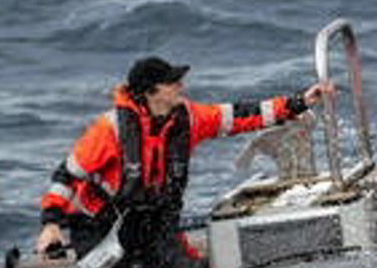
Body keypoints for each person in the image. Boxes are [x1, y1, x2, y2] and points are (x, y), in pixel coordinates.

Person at [34, 57, 329, 267]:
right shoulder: (109, 130)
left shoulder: (189, 118)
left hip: (154, 226)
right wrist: (50, 225)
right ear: (151, 92)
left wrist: (298, 103)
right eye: (172, 82)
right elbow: (66, 176)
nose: (181, 85)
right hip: (100, 228)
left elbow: (241, 115)